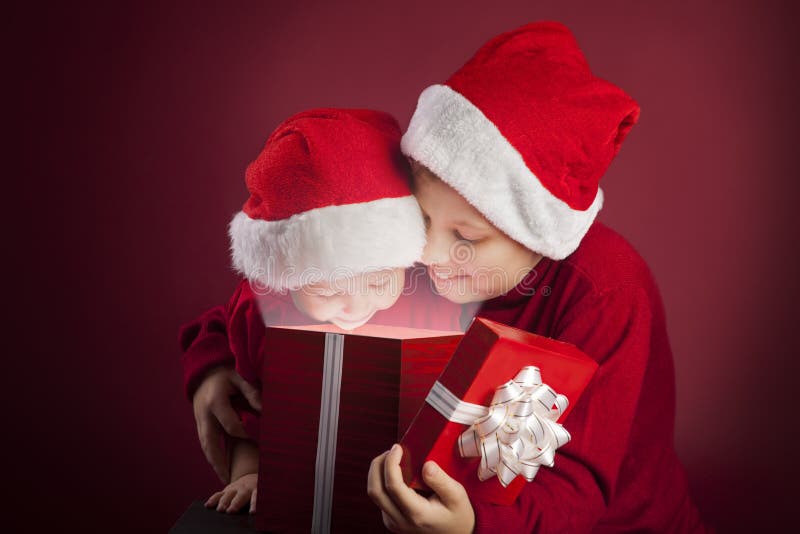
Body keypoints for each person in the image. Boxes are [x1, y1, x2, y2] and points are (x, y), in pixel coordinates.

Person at [365, 22, 710, 533]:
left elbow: (579, 489)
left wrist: (472, 528)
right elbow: (307, 274)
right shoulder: (447, 266)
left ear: (538, 235)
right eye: (423, 220)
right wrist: (216, 361)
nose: (430, 253)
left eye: (467, 235)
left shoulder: (608, 290)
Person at [178, 108, 462, 513]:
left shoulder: (429, 300)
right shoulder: (261, 311)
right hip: (299, 485)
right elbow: (247, 412)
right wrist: (249, 473)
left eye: (380, 282)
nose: (355, 303)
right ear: (284, 276)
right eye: (326, 290)